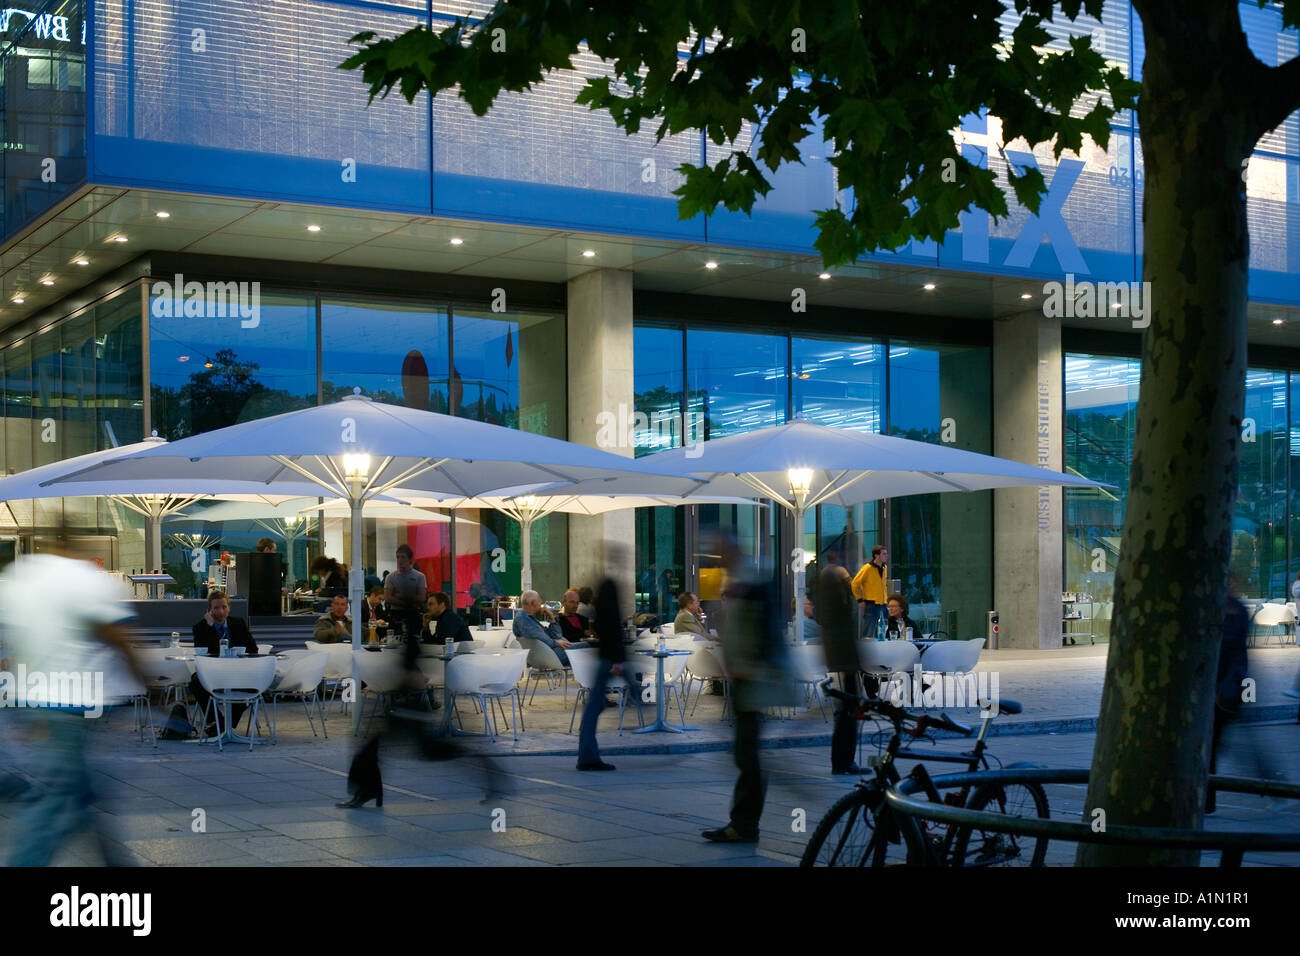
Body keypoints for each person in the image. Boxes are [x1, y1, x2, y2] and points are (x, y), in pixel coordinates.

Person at [1, 539, 145, 865]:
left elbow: (18, 644)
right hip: (73, 707)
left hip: (35, 701)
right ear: (71, 542)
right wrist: (146, 682)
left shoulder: (20, 578)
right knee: (55, 802)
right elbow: (119, 636)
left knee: (84, 799)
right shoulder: (84, 577)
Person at [702, 533, 794, 844]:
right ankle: (743, 822)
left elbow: (764, 627)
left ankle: (744, 824)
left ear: (732, 550)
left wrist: (750, 664)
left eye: (719, 551)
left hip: (752, 679)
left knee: (748, 754)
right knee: (746, 753)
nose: (717, 558)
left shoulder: (751, 582)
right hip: (744, 678)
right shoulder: (740, 583)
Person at [577, 557, 642, 771]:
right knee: (595, 706)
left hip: (607, 656)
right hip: (609, 657)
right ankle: (587, 757)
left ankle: (588, 755)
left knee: (595, 706)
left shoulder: (604, 586)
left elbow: (605, 625)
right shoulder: (610, 587)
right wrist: (617, 659)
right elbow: (611, 625)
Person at [190, 590, 258, 733]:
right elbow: (202, 651)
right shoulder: (200, 628)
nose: (221, 611)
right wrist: (209, 626)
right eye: (216, 608)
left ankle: (222, 726)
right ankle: (216, 722)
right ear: (209, 610)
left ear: (229, 607)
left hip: (238, 672)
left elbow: (253, 649)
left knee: (254, 686)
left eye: (224, 607)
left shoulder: (238, 624)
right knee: (195, 682)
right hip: (214, 673)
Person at [818, 561, 861, 775]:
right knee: (846, 713)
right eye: (845, 579)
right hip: (843, 667)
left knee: (845, 714)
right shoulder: (837, 610)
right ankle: (844, 761)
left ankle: (842, 761)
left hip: (842, 665)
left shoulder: (830, 610)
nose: (849, 582)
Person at [512, 590, 589, 665]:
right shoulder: (523, 619)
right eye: (540, 601)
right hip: (550, 656)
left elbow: (557, 635)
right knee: (588, 646)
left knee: (589, 646)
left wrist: (551, 617)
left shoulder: (528, 618)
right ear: (533, 603)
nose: (541, 604)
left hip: (549, 654)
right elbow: (540, 637)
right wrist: (556, 642)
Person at [384, 544, 427, 640]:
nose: (400, 560)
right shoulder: (390, 577)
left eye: (403, 557)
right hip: (396, 614)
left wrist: (399, 595)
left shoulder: (420, 576)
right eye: (398, 557)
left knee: (415, 640)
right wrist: (410, 599)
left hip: (413, 614)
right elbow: (388, 598)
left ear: (410, 559)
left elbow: (422, 597)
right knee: (393, 640)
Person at [852, 545, 889, 639]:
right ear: (876, 556)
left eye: (886, 554)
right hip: (872, 603)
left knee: (882, 631)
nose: (886, 556)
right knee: (869, 631)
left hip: (883, 603)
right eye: (884, 554)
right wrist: (859, 599)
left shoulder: (885, 568)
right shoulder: (867, 568)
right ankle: (867, 650)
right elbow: (855, 584)